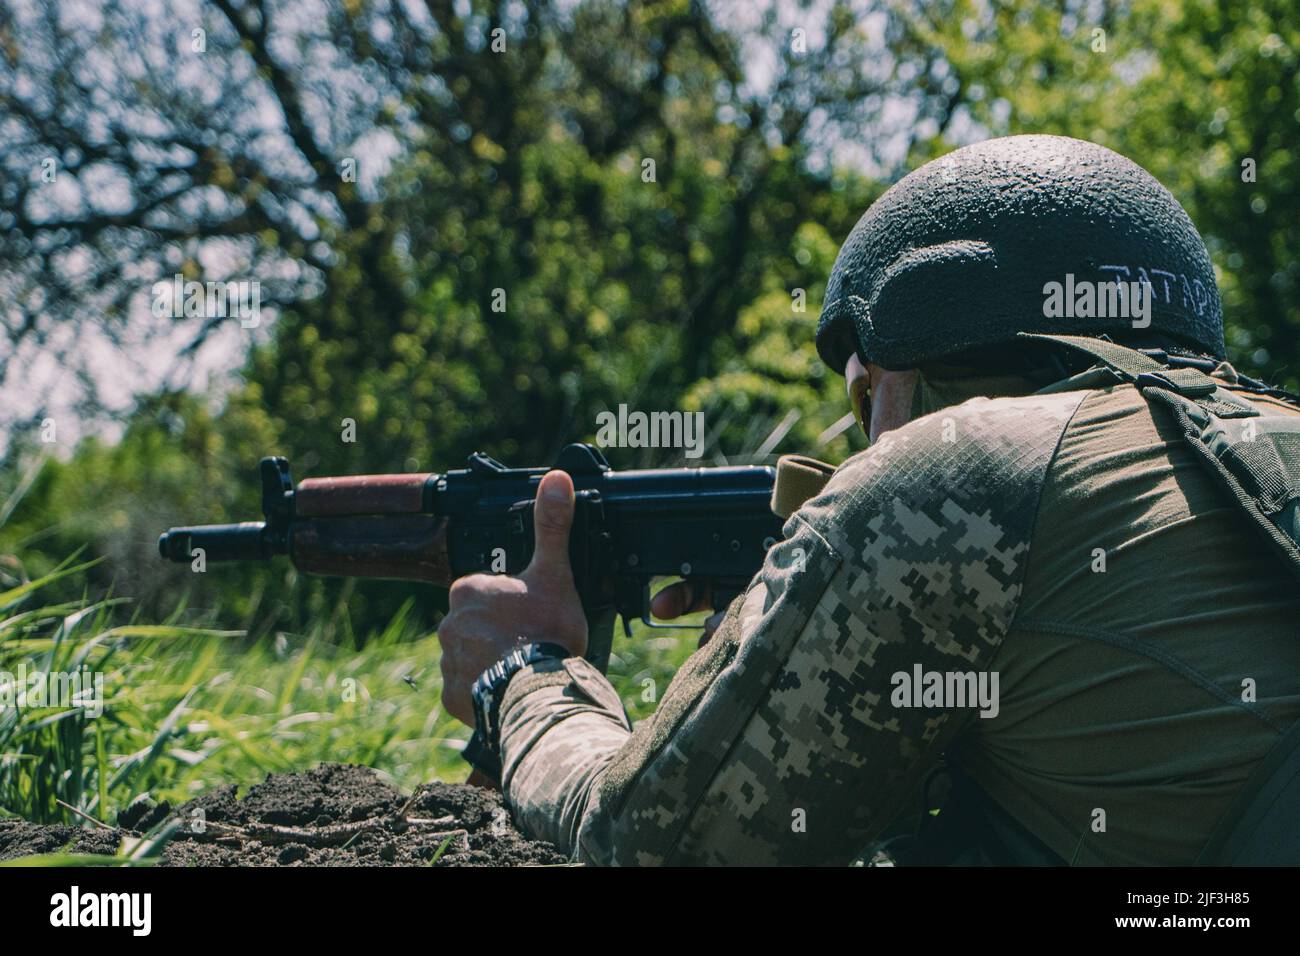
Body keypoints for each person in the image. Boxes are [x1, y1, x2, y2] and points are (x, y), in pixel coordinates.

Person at [435, 135, 1300, 865]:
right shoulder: (1268, 438)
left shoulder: (953, 474)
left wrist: (529, 674)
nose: (860, 439)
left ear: (925, 349)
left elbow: (643, 846)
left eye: (861, 394)